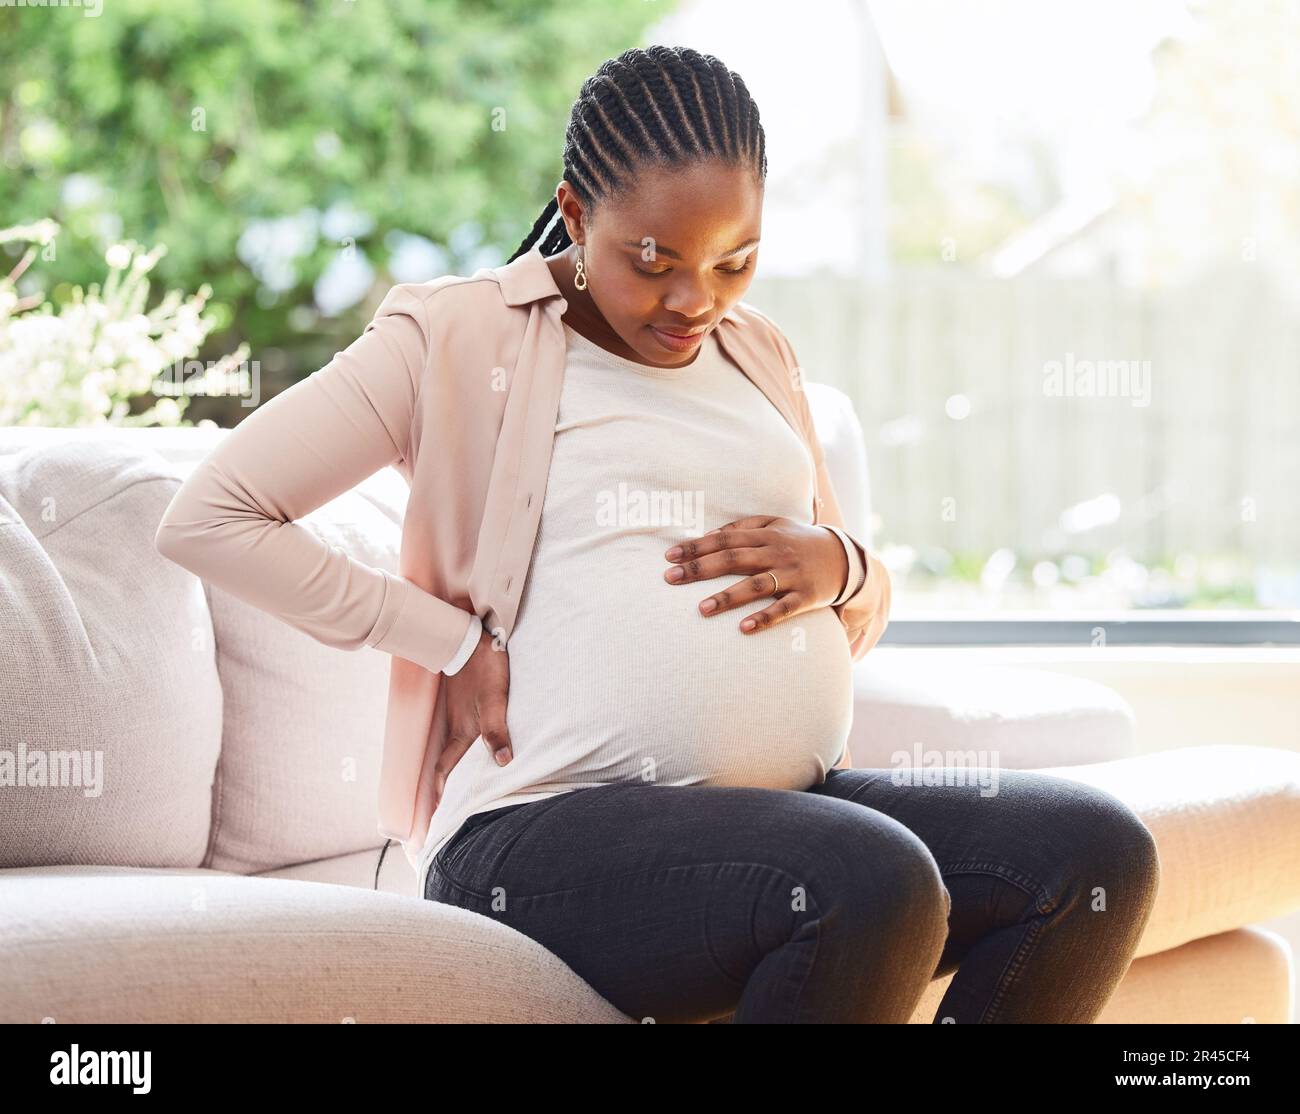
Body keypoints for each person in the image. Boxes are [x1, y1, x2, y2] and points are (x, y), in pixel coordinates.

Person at [157, 44, 1161, 1024]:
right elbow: (212, 515)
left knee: (1090, 853)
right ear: (575, 213)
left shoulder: (759, 351)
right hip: (540, 830)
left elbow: (851, 606)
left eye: (735, 260)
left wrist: (844, 569)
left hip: (785, 808)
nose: (695, 300)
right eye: (654, 260)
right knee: (870, 878)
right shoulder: (455, 335)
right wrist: (447, 639)